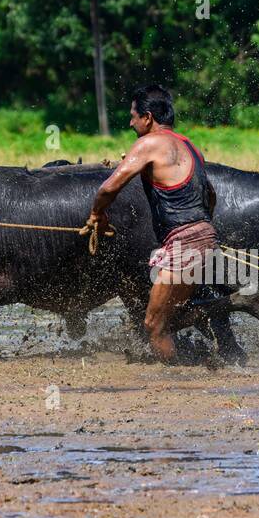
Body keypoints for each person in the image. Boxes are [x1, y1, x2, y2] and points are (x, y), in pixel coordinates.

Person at [84, 84, 217, 363]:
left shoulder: (148, 143)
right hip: (206, 239)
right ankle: (209, 342)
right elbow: (211, 195)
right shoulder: (190, 146)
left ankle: (175, 382)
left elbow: (108, 188)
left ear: (147, 117)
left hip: (182, 246)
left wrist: (97, 215)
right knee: (172, 315)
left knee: (153, 326)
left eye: (133, 116)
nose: (131, 123)